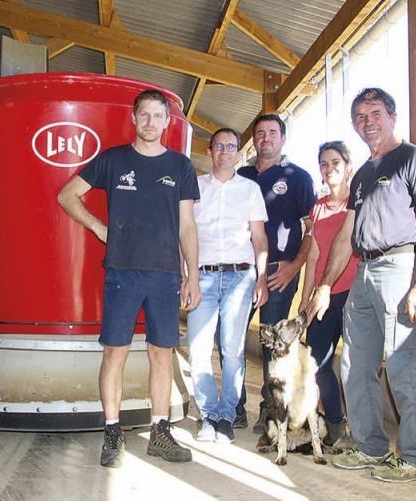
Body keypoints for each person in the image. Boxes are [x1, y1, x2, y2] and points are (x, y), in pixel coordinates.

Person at [308, 88, 416, 482]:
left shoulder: (414, 159)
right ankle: (369, 447)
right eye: (360, 116)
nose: (368, 122)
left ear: (392, 116)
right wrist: (324, 284)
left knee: (403, 364)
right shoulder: (365, 174)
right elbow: (347, 234)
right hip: (363, 274)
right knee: (354, 365)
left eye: (375, 113)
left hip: (401, 266)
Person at [57, 89, 200, 468]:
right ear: (134, 119)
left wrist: (193, 274)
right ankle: (112, 431)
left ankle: (159, 432)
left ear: (168, 122)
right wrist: (99, 228)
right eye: (145, 115)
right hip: (122, 271)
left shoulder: (181, 167)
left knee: (161, 353)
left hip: (166, 274)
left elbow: (187, 226)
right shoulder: (113, 160)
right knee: (115, 352)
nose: (151, 122)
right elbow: (67, 195)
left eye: (158, 116)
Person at [188, 128, 268, 444]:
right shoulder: (194, 187)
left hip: (240, 277)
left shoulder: (250, 190)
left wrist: (261, 278)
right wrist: (187, 274)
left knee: (232, 351)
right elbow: (186, 232)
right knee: (197, 350)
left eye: (231, 146)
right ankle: (208, 415)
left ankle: (225, 416)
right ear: (209, 151)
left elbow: (259, 238)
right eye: (219, 146)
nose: (225, 151)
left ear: (238, 153)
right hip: (202, 276)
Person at [237, 114, 316, 432]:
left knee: (274, 342)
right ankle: (234, 406)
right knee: (230, 340)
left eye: (272, 132)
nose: (265, 138)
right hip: (240, 270)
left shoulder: (298, 177)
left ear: (283, 138)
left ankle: (270, 410)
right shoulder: (240, 176)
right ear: (253, 140)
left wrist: (294, 266)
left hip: (278, 272)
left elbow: (312, 229)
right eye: (260, 133)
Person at [297, 141, 358, 449]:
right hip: (322, 299)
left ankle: (363, 436)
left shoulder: (357, 201)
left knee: (356, 366)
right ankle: (335, 428)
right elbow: (313, 257)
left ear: (347, 165)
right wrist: (305, 300)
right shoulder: (318, 207)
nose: (329, 168)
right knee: (317, 364)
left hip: (351, 292)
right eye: (323, 163)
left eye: (335, 162)